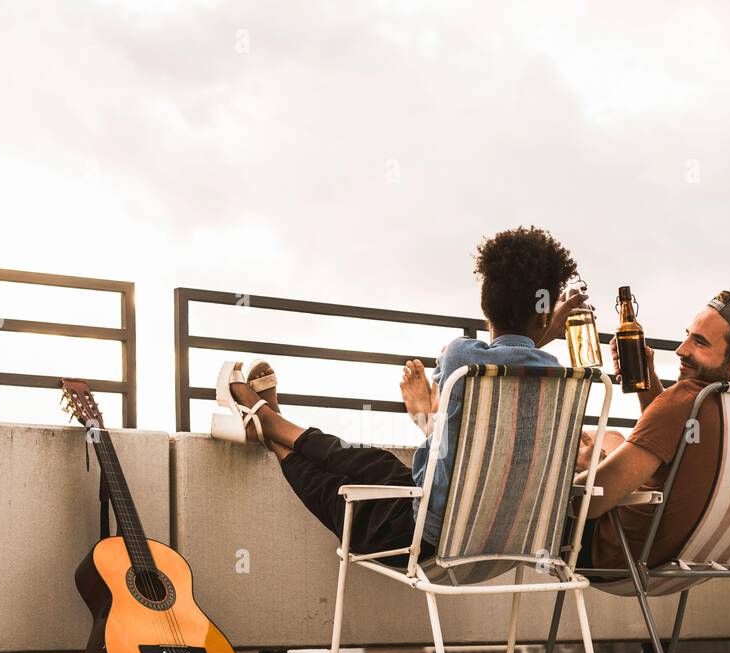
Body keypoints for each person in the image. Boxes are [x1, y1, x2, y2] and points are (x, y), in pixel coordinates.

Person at [210, 225, 586, 575]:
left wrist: (425, 412)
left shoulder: (462, 357)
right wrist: (543, 330)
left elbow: (496, 362)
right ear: (543, 316)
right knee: (372, 461)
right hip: (512, 545)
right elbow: (515, 362)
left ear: (486, 306)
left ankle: (272, 430)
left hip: (428, 541)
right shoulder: (561, 380)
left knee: (336, 490)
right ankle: (274, 425)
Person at [573, 289, 730, 571]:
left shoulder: (686, 399)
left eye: (699, 342)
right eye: (687, 335)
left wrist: (579, 470)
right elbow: (679, 440)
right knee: (612, 438)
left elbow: (587, 504)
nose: (681, 349)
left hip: (617, 554)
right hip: (708, 558)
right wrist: (648, 378)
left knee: (575, 449)